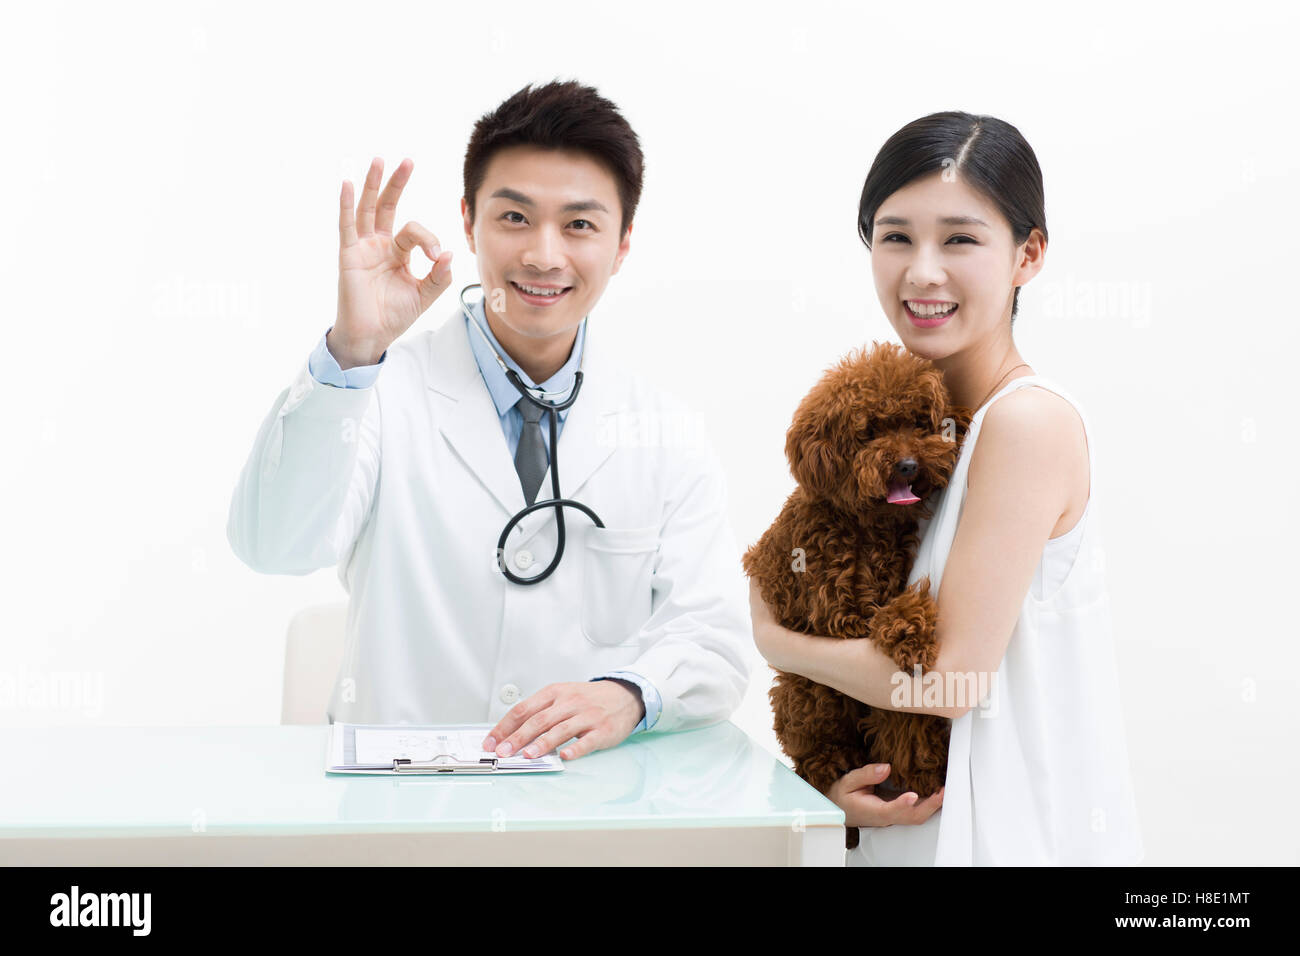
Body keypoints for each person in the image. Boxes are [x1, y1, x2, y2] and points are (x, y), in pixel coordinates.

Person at [228, 80, 751, 762]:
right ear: (469, 220)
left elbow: (712, 637)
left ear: (622, 245)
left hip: (586, 812)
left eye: (580, 225)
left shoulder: (663, 431)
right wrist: (353, 352)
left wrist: (627, 692)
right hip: (397, 812)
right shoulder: (378, 389)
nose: (542, 254)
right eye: (514, 218)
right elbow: (273, 545)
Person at [749, 111, 1143, 865]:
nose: (922, 271)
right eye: (895, 237)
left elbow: (951, 681)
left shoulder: (1026, 423)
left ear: (1029, 254)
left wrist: (776, 642)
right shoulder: (921, 447)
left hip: (1008, 838)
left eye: (960, 239)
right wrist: (839, 785)